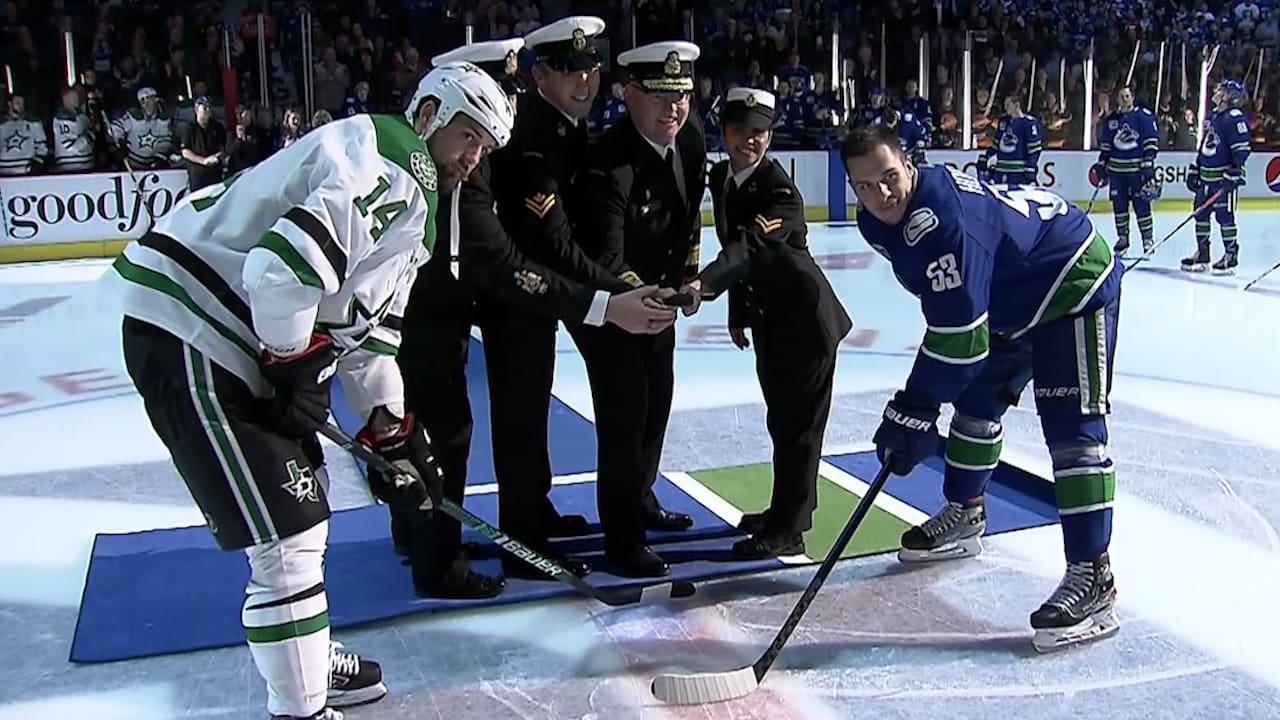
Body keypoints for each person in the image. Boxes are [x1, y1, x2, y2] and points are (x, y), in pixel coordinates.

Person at [106, 61, 518, 720]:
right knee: (288, 539)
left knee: (304, 513)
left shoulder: (416, 206)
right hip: (197, 329)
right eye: (467, 135)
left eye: (485, 148)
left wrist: (394, 433)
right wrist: (292, 361)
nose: (472, 157)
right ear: (429, 115)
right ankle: (299, 707)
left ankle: (303, 650)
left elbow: (372, 338)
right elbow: (279, 270)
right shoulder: (396, 165)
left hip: (230, 336)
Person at [396, 40, 679, 599]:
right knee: (452, 428)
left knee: (482, 418)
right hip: (459, 299)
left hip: (489, 294)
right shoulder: (476, 156)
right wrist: (608, 299)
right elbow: (502, 255)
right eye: (493, 91)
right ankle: (453, 553)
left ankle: (435, 534)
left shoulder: (539, 133)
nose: (507, 101)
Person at [842, 123, 1122, 653]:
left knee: (1073, 434)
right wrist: (922, 404)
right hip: (1008, 298)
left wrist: (915, 405)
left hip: (1070, 282)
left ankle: (1094, 577)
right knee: (974, 405)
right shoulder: (875, 222)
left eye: (889, 177)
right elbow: (956, 320)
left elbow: (960, 342)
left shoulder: (943, 220)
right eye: (865, 186)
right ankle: (966, 512)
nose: (881, 195)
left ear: (910, 163)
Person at [463, 17, 647, 581]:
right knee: (520, 412)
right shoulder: (533, 138)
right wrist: (616, 290)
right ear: (540, 74)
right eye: (570, 70)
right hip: (519, 296)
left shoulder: (564, 128)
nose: (585, 80)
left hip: (544, 295)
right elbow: (554, 243)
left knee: (532, 401)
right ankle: (523, 540)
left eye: (591, 68)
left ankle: (533, 509)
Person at [679, 87, 851, 559]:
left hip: (807, 325)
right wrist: (738, 314)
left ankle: (788, 530)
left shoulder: (779, 192)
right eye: (739, 131)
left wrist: (704, 285)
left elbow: (747, 247)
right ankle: (782, 511)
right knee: (782, 422)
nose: (749, 141)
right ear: (725, 132)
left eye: (759, 132)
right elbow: (739, 249)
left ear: (770, 136)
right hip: (770, 321)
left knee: (799, 428)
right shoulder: (724, 179)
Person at [569, 40, 707, 578]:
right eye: (658, 95)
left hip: (659, 302)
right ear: (628, 94)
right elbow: (603, 256)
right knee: (624, 420)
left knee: (656, 408)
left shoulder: (689, 141)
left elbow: (691, 216)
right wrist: (644, 296)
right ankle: (622, 539)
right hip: (613, 308)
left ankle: (642, 497)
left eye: (682, 96)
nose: (673, 108)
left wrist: (688, 278)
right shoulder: (608, 163)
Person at [1182, 78, 1251, 274]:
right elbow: (1205, 146)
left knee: (1224, 216)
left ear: (1229, 96)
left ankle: (1231, 255)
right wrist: (1197, 167)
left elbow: (1242, 150)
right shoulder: (1213, 117)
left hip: (1223, 180)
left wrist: (1234, 171)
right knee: (1200, 213)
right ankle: (1203, 254)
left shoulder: (1234, 117)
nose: (1216, 91)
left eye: (1221, 89)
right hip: (1206, 179)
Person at [1092, 85, 1160, 257]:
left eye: (1127, 96)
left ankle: (1148, 240)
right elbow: (1106, 146)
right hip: (1117, 172)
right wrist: (1102, 163)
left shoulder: (1143, 116)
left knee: (1142, 205)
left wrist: (1148, 161)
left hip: (1136, 171)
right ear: (1117, 99)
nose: (1125, 99)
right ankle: (1123, 239)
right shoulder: (1112, 120)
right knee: (1119, 207)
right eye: (1122, 96)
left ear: (1132, 97)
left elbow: (1151, 141)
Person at [978, 94, 1041, 185]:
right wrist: (986, 156)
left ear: (1017, 105)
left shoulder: (1029, 123)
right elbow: (996, 143)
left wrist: (1031, 167)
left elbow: (1034, 149)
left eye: (1008, 104)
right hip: (1000, 169)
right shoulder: (1003, 121)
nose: (1005, 107)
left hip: (1018, 170)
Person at [179, 96, 226, 191]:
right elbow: (185, 152)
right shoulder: (189, 127)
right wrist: (204, 161)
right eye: (204, 108)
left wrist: (218, 156)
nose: (208, 110)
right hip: (197, 176)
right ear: (196, 110)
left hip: (215, 174)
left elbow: (222, 147)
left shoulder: (217, 126)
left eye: (209, 107)